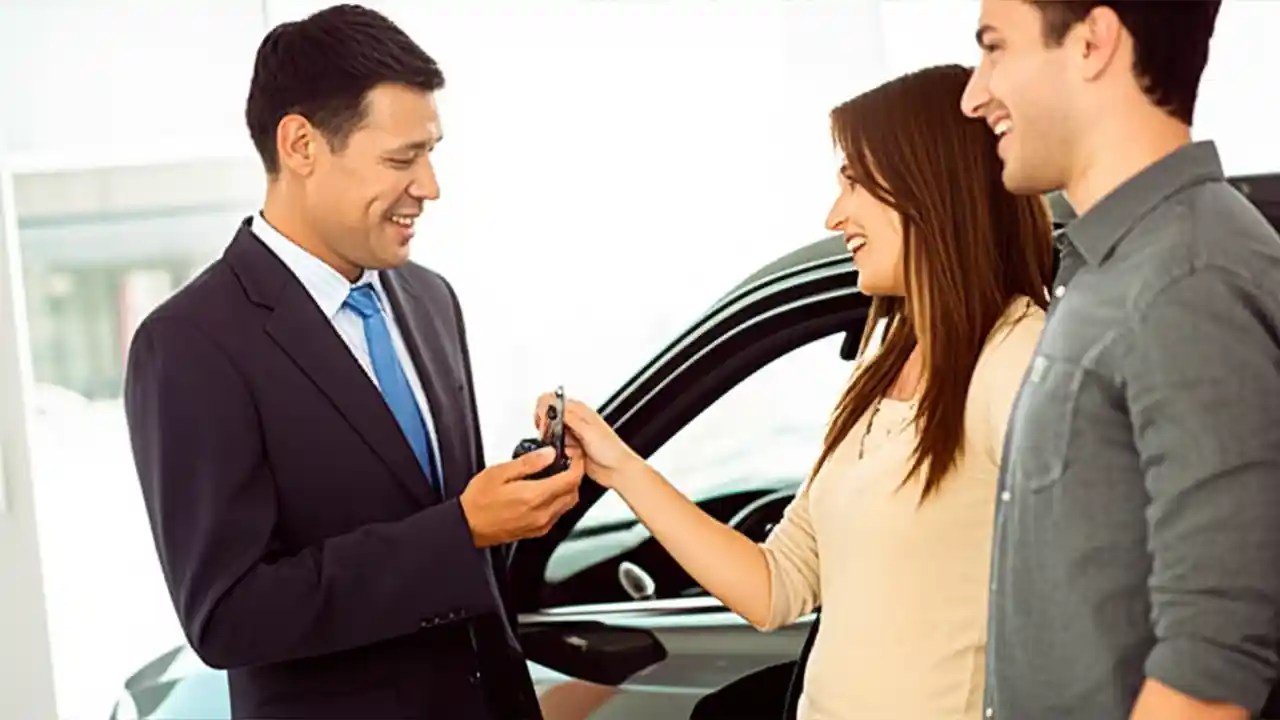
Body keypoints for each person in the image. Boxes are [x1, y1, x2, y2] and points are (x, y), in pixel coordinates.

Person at [534, 64, 1054, 720]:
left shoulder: (1018, 363)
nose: (835, 215)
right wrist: (618, 466)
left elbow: (1095, 606)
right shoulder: (877, 374)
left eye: (855, 182)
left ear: (930, 185)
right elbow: (775, 585)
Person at [122, 5, 582, 719]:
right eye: (402, 159)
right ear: (301, 145)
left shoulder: (430, 299)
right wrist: (460, 530)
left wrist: (519, 501)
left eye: (431, 152)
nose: (430, 185)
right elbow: (228, 615)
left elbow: (443, 530)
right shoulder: (189, 343)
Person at [960, 2, 1280, 719]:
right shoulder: (1112, 270)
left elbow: (1211, 668)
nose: (974, 94)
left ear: (1092, 43)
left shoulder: (1188, 282)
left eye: (995, 48)